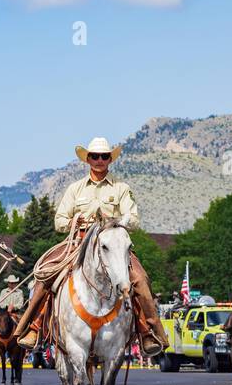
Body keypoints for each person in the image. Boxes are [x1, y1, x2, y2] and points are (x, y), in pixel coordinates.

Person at [10, 136, 166, 355]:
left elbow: (134, 218)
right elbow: (59, 221)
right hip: (79, 242)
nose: (99, 160)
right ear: (88, 159)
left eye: (104, 156)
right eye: (95, 156)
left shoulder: (121, 188)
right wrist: (77, 221)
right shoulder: (75, 189)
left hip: (112, 243)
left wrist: (117, 222)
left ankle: (147, 330)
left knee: (139, 278)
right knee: (46, 273)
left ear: (110, 159)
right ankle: (34, 326)